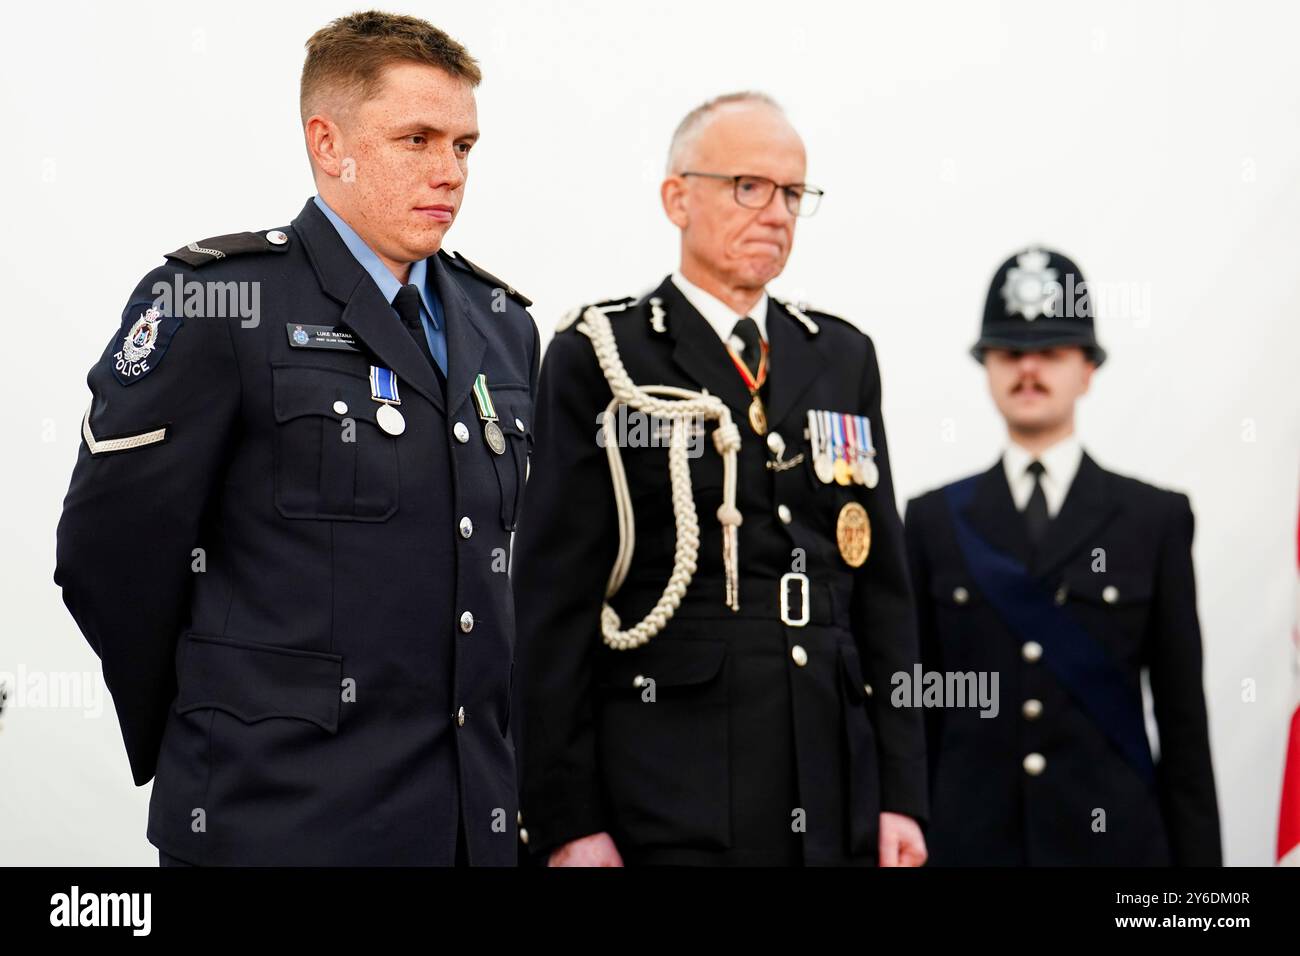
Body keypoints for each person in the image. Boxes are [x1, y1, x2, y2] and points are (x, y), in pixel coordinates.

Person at [54, 11, 538, 866]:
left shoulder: (500, 325)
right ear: (328, 142)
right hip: (276, 817)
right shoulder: (219, 300)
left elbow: (499, 580)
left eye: (464, 146)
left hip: (464, 825)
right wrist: (219, 715)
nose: (448, 171)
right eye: (416, 138)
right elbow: (109, 550)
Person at [513, 92, 927, 866]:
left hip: (831, 779)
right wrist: (567, 816)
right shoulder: (605, 356)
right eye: (748, 186)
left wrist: (902, 792)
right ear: (678, 197)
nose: (775, 212)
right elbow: (553, 602)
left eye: (793, 193)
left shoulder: (840, 356)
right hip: (672, 782)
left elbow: (884, 594)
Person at [903, 247, 1221, 865]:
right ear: (987, 368)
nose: (1028, 370)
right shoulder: (933, 521)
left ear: (1088, 369)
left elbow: (1184, 727)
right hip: (969, 848)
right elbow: (917, 711)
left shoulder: (1154, 521)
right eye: (1010, 354)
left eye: (1050, 352)